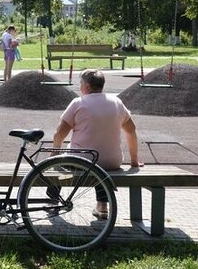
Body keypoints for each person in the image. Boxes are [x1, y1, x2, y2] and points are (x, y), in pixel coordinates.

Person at [52, 68, 142, 219]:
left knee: (64, 161)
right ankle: (102, 205)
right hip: (112, 161)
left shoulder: (78, 103)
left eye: (80, 83)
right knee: (98, 164)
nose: (79, 87)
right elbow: (131, 131)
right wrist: (134, 161)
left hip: (84, 161)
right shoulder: (117, 102)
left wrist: (54, 153)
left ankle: (52, 199)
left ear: (86, 86)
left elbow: (60, 133)